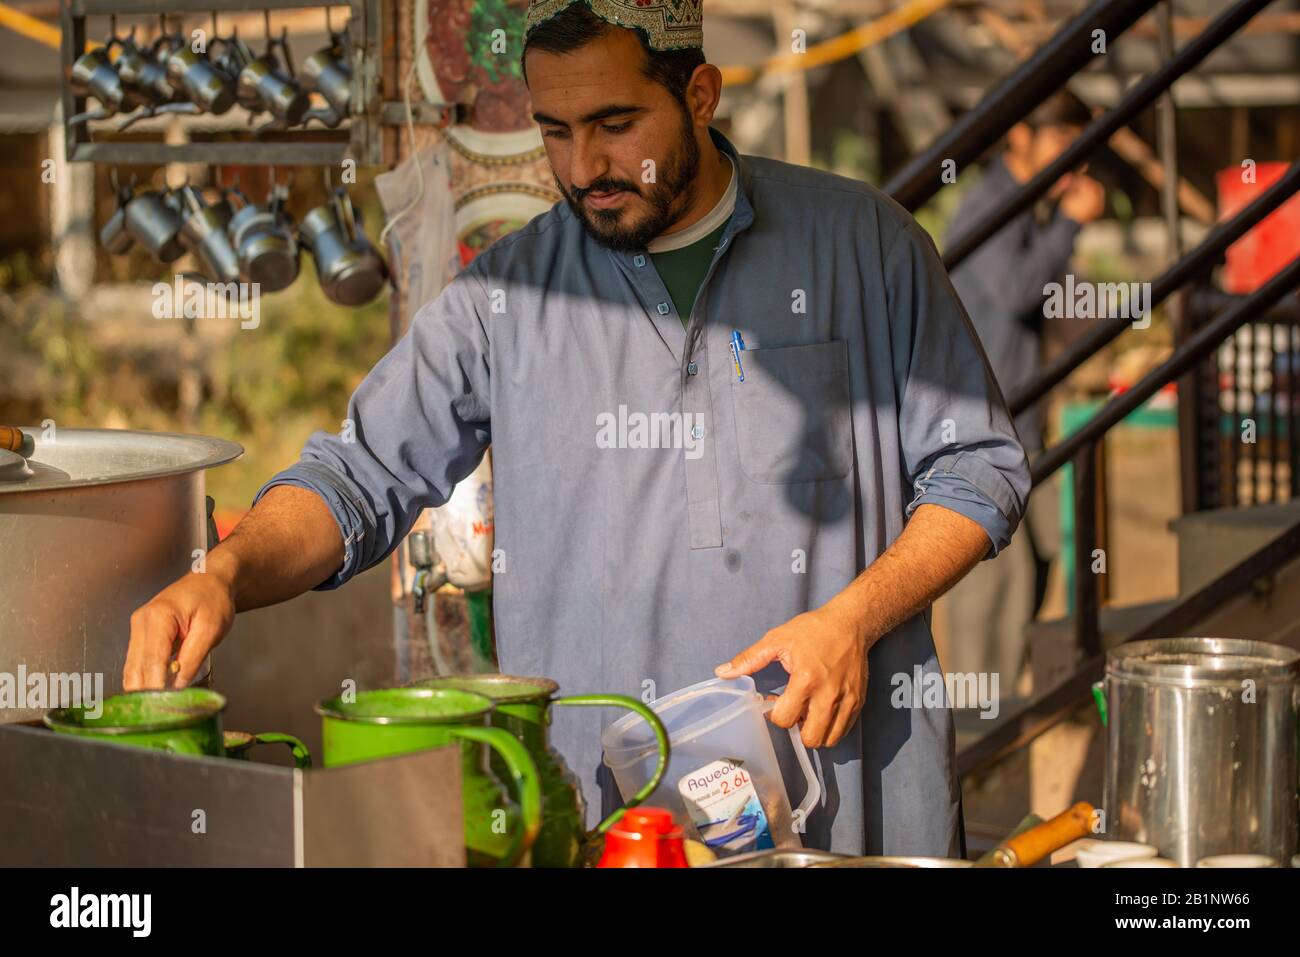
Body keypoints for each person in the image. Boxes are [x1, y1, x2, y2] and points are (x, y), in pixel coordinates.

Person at [123, 0, 1030, 856]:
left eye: (615, 124)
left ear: (701, 96)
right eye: (554, 131)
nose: (583, 165)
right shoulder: (506, 296)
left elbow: (979, 471)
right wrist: (226, 575)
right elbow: (357, 476)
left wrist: (853, 620)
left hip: (852, 802)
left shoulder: (863, 244)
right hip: (621, 820)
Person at [941, 91, 1105, 696]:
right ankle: (980, 739)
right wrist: (1069, 224)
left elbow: (1056, 308)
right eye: (1064, 143)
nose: (1077, 162)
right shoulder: (990, 205)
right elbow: (1014, 291)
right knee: (992, 599)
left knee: (1034, 576)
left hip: (1022, 423)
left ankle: (1001, 716)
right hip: (978, 433)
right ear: (1019, 138)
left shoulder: (1029, 208)